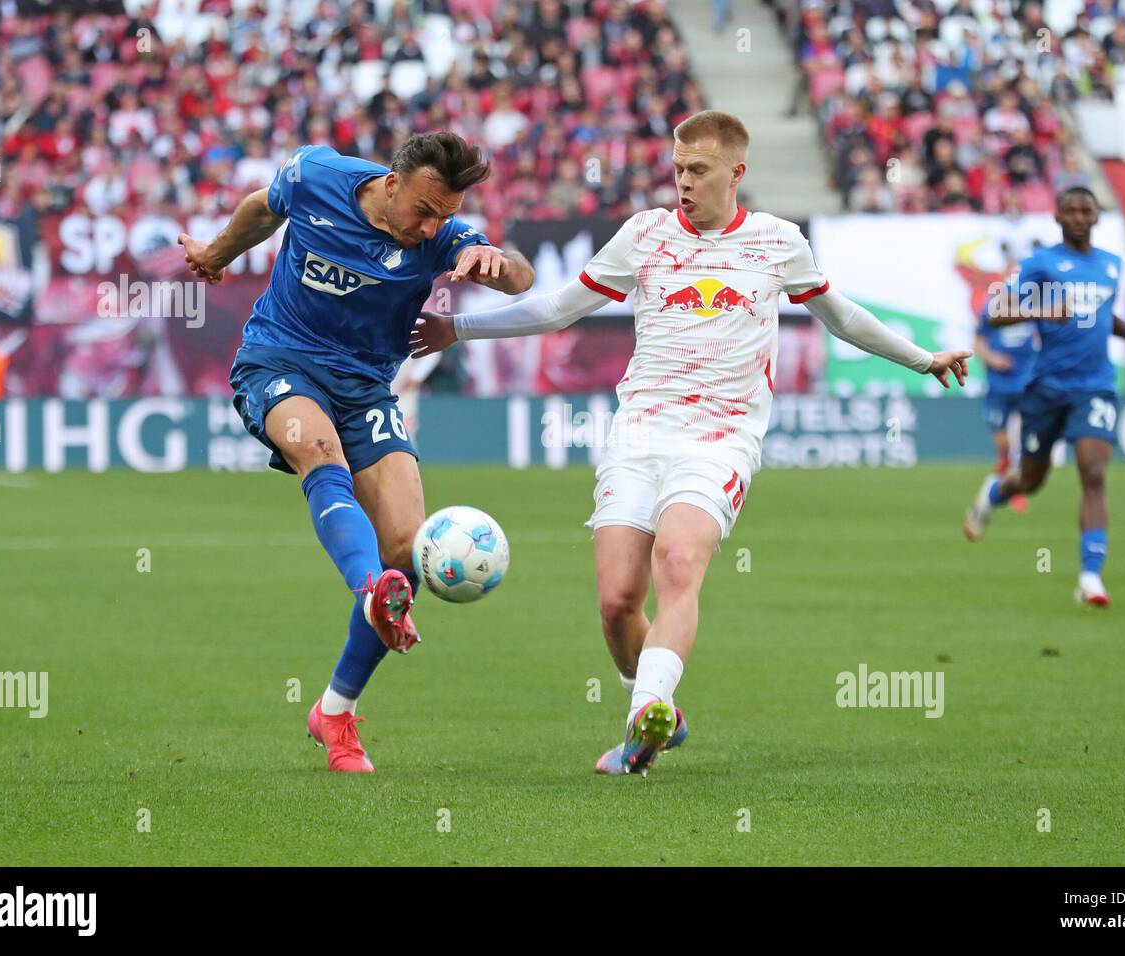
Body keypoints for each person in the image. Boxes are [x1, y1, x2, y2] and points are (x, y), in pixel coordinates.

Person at [412, 111, 970, 775]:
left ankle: (640, 724)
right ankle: (659, 711)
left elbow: (841, 316)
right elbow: (559, 307)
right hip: (641, 431)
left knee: (679, 561)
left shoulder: (777, 243)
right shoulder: (643, 235)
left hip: (723, 437)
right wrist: (462, 328)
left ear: (736, 173)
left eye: (698, 171)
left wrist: (923, 359)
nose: (683, 182)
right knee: (618, 602)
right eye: (677, 168)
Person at [177, 133, 535, 772]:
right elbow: (265, 206)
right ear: (390, 182)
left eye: (445, 215)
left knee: (408, 549)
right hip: (278, 360)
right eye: (424, 210)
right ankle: (374, 590)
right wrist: (214, 253)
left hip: (366, 387)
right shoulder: (317, 174)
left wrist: (493, 260)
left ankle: (334, 712)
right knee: (318, 450)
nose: (431, 226)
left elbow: (521, 276)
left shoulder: (445, 235)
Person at [963, 187, 1125, 606]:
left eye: (1086, 211)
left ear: (1096, 217)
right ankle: (992, 495)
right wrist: (1040, 308)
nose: (1079, 217)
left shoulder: (1111, 266)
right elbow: (995, 314)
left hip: (1095, 386)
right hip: (1046, 389)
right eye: (1071, 211)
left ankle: (1090, 579)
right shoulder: (1040, 264)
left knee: (1093, 474)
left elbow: (1104, 317)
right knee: (1031, 480)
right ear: (1058, 218)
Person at [972, 268, 1037, 512]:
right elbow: (978, 342)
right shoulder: (991, 308)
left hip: (1027, 383)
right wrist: (992, 358)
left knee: (1024, 438)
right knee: (1002, 442)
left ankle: (1016, 487)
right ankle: (1003, 475)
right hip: (1000, 384)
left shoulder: (1034, 307)